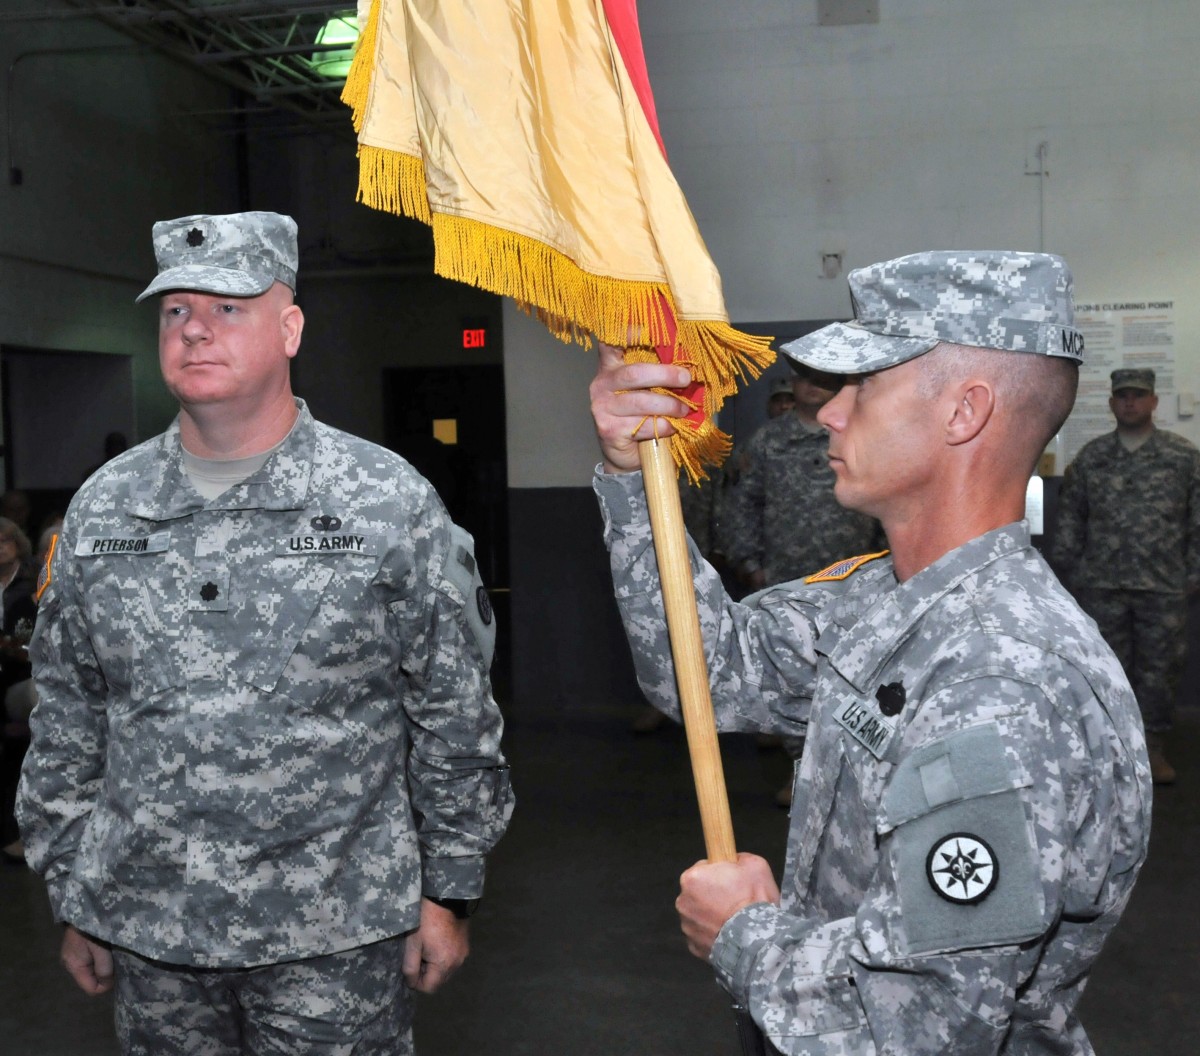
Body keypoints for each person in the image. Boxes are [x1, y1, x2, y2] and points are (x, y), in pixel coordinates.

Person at [588, 250, 1150, 1054]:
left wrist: (744, 936)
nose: (828, 413)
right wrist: (628, 466)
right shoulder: (886, 595)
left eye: (866, 385)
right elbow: (706, 672)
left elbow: (922, 1024)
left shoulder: (1003, 676)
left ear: (964, 412)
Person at [17, 211, 514, 1055]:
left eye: (229, 307)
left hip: (335, 934)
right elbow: (68, 715)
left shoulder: (383, 499)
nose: (196, 329)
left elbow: (453, 710)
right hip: (152, 931)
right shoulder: (105, 508)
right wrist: (78, 890)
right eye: (175, 310)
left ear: (290, 328)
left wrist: (450, 891)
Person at [1052, 367, 1200, 785]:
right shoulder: (1092, 458)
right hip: (1102, 585)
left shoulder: (1183, 456)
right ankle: (1114, 747)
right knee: (1106, 668)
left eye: (1138, 395)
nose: (1130, 402)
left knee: (1160, 670)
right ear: (1112, 403)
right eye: (1123, 396)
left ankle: (1152, 748)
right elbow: (1070, 522)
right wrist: (1070, 571)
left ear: (1153, 401)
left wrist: (1193, 571)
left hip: (1163, 585)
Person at [724, 362, 883, 593]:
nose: (813, 384)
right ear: (793, 383)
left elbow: (883, 497)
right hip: (783, 578)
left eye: (822, 378)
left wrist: (884, 562)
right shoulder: (766, 440)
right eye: (805, 377)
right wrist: (749, 564)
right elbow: (742, 503)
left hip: (854, 577)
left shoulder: (861, 436)